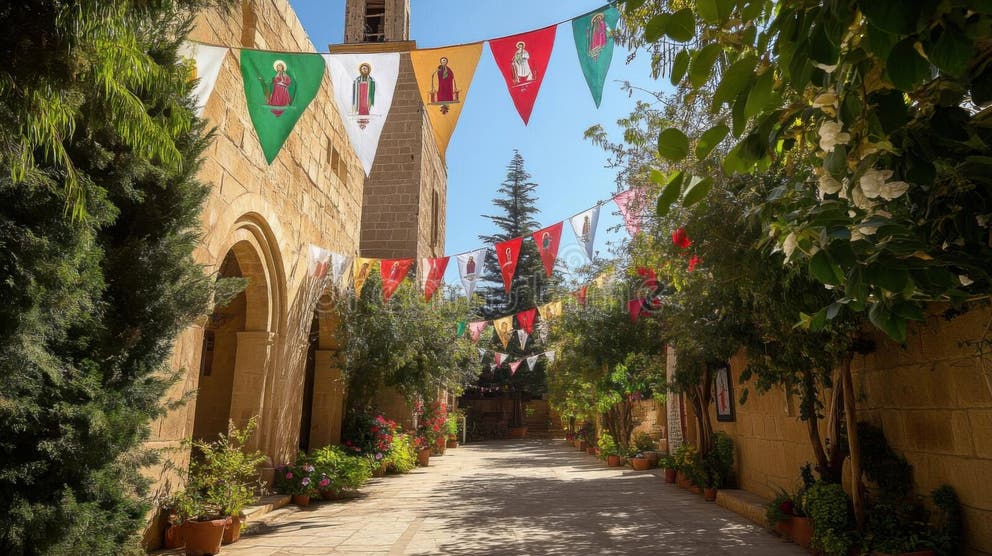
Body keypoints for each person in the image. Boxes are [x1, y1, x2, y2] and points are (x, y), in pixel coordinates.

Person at [352, 62, 375, 128]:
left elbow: (372, 89)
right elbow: (355, 87)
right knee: (360, 107)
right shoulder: (358, 79)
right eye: (363, 69)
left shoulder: (371, 80)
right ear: (361, 70)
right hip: (360, 95)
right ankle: (360, 119)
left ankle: (365, 119)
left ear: (368, 70)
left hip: (367, 96)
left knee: (366, 107)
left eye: (365, 69)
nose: (364, 70)